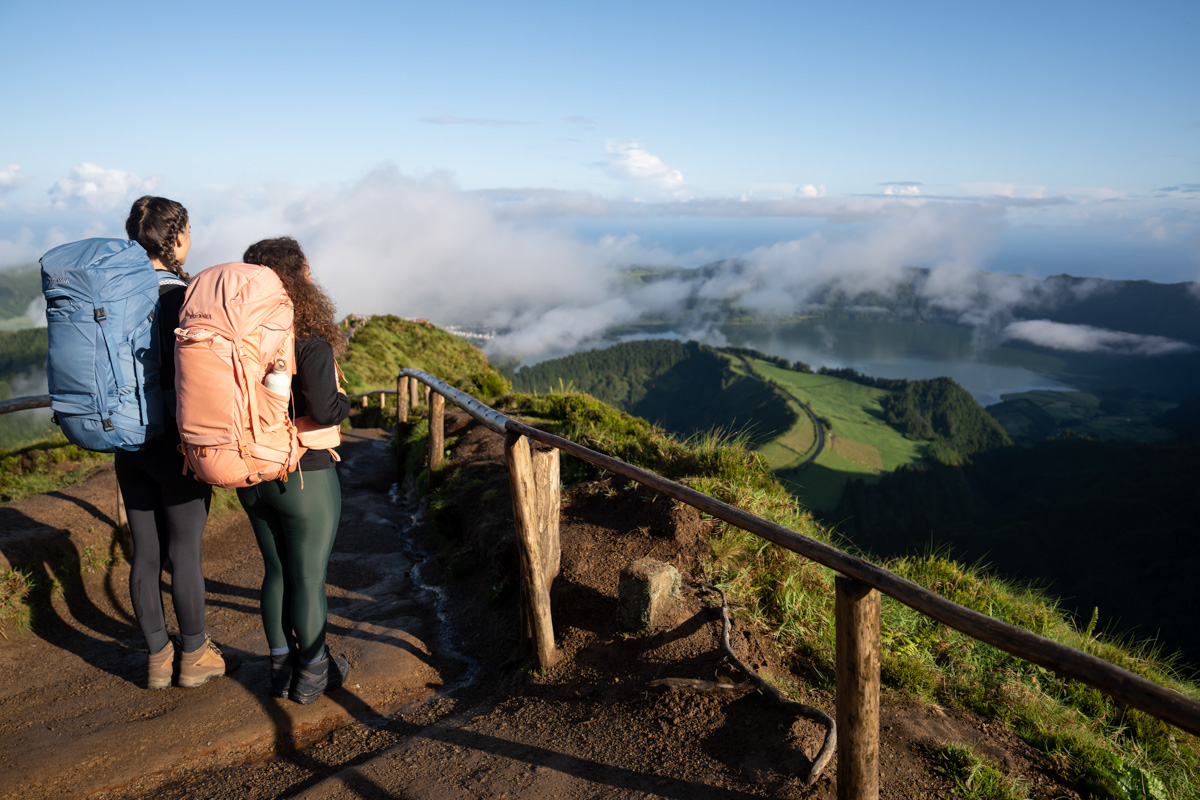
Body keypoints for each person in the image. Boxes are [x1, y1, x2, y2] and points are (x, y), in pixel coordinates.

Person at [118, 196, 227, 689]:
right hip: (174, 443)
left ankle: (158, 657)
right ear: (177, 237)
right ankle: (196, 654)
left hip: (129, 441)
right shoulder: (183, 297)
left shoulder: (117, 293)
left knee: (143, 551)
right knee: (184, 551)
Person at [237, 237, 351, 704]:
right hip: (305, 475)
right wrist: (344, 402)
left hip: (250, 474)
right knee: (308, 579)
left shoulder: (239, 341)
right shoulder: (308, 341)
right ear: (301, 275)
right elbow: (325, 411)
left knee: (276, 572)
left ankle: (280, 667)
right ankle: (313, 672)